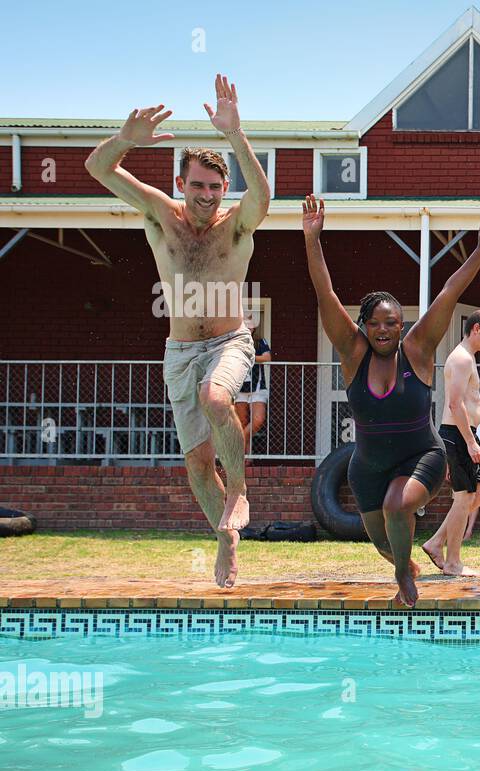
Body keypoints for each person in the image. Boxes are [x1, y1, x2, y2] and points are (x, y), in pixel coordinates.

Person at [84, 75, 268, 588]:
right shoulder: (159, 214)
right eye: (196, 186)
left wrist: (236, 135)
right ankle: (225, 539)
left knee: (216, 397)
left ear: (224, 188)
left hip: (230, 341)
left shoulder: (237, 224)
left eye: (215, 186)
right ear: (181, 184)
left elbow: (265, 194)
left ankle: (239, 492)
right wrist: (123, 140)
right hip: (180, 350)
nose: (206, 195)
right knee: (194, 463)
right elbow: (98, 168)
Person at [304, 195, 480, 605]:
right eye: (375, 324)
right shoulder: (353, 355)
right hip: (367, 467)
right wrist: (312, 240)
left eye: (391, 323)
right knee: (387, 542)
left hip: (422, 456)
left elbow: (449, 290)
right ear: (364, 327)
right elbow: (325, 292)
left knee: (396, 506)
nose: (384, 330)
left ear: (401, 323)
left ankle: (403, 581)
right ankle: (404, 566)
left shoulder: (419, 350)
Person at [422, 312, 480, 576]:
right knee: (464, 496)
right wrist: (470, 442)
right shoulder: (461, 359)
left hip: (466, 434)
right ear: (476, 329)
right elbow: (455, 404)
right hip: (458, 435)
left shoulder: (466, 358)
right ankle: (452, 562)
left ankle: (436, 542)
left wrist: (474, 438)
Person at [234, 315, 271, 454]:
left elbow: (267, 357)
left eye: (250, 323)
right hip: (240, 387)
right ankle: (245, 458)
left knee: (258, 420)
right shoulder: (235, 342)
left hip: (257, 386)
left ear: (254, 326)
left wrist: (250, 358)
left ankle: (239, 441)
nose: (248, 325)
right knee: (242, 421)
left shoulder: (259, 341)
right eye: (245, 323)